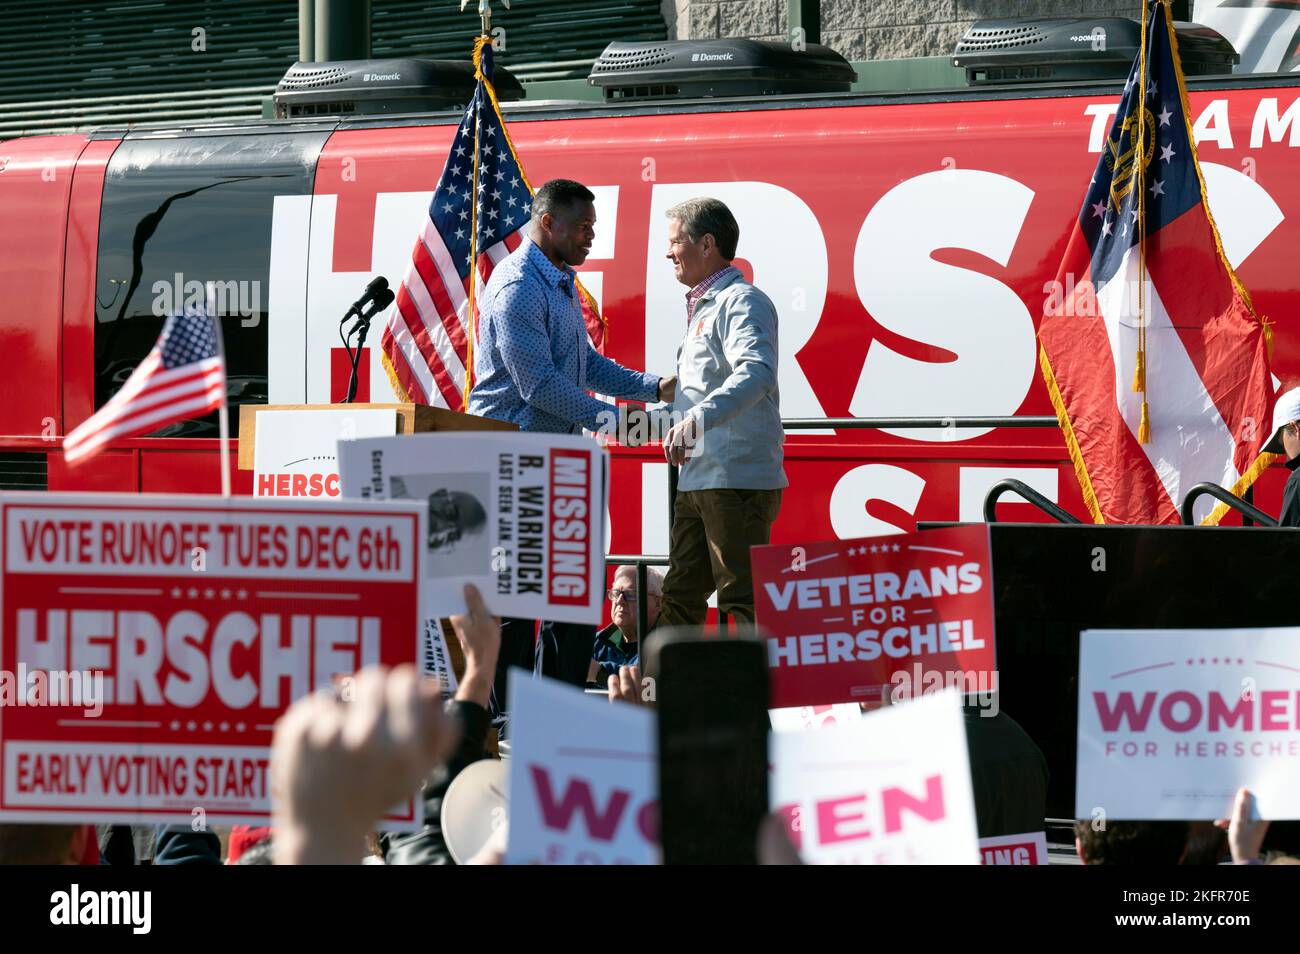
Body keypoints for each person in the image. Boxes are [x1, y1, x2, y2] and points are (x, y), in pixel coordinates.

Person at [467, 178, 674, 707]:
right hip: (513, 463)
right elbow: (539, 386)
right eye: (582, 228)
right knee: (514, 604)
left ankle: (557, 715)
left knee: (573, 600)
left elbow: (584, 367)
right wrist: (624, 425)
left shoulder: (557, 282)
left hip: (560, 463)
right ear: (547, 223)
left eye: (593, 229)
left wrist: (653, 387)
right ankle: (504, 723)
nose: (590, 239)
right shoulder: (516, 287)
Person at [658, 197, 786, 627]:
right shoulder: (709, 305)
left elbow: (757, 372)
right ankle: (674, 692)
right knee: (680, 594)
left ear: (707, 243)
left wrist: (696, 417)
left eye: (676, 241)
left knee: (740, 598)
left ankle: (745, 694)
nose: (669, 252)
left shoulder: (742, 301)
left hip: (735, 478)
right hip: (703, 476)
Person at [587, 565, 663, 686]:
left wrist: (598, 672)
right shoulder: (597, 642)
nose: (619, 600)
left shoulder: (665, 645)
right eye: (616, 593)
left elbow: (647, 684)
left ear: (658, 603)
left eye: (631, 594)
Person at [1263, 386, 1300, 526]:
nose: (1285, 455)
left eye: (1280, 441)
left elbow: (1287, 545)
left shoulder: (1298, 480)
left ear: (1296, 428)